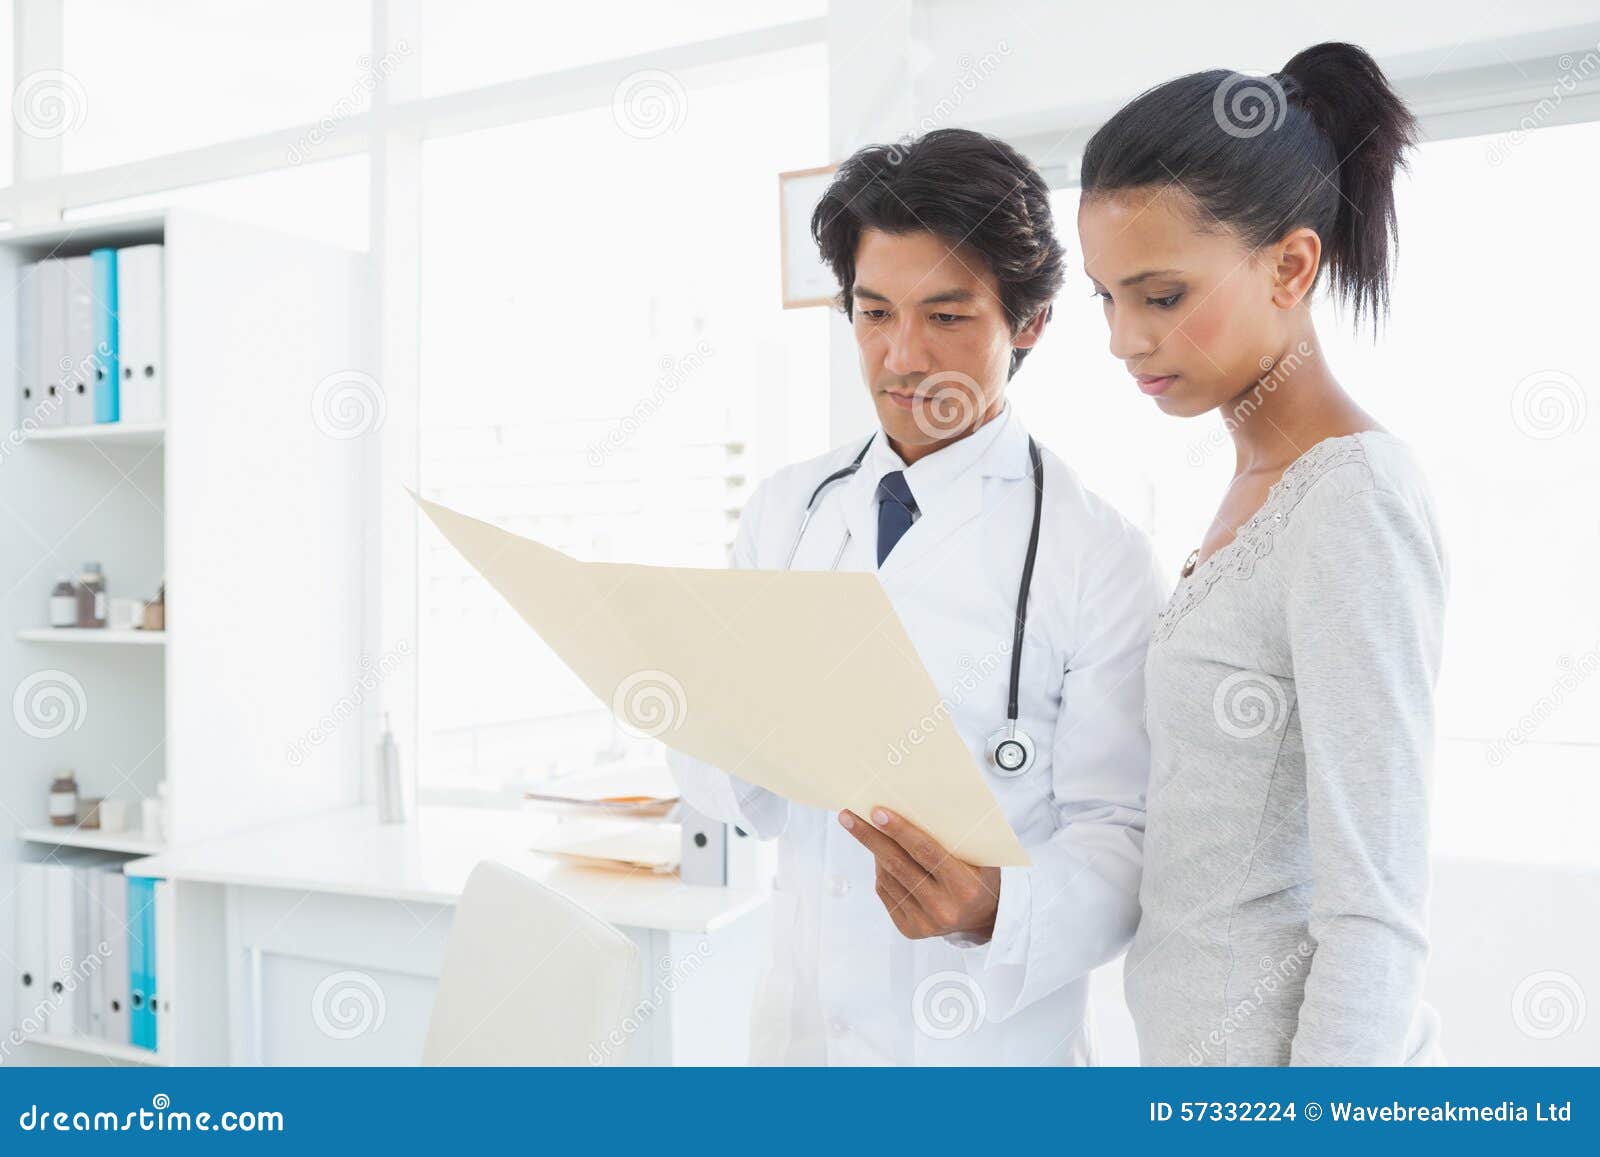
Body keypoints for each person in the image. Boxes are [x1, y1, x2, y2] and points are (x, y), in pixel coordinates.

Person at [668, 128, 1165, 1065]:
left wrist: (996, 910)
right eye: (873, 311)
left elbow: (1125, 834)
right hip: (804, 1039)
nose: (901, 358)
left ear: (1029, 322)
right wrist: (723, 726)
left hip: (983, 1052)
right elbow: (719, 776)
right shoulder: (787, 510)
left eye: (946, 315)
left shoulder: (1097, 554)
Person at [1076, 42, 1447, 1064]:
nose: (1121, 339)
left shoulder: (1350, 499)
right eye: (1102, 297)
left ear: (1290, 265)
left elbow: (1376, 911)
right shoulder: (1252, 487)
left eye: (1158, 295)